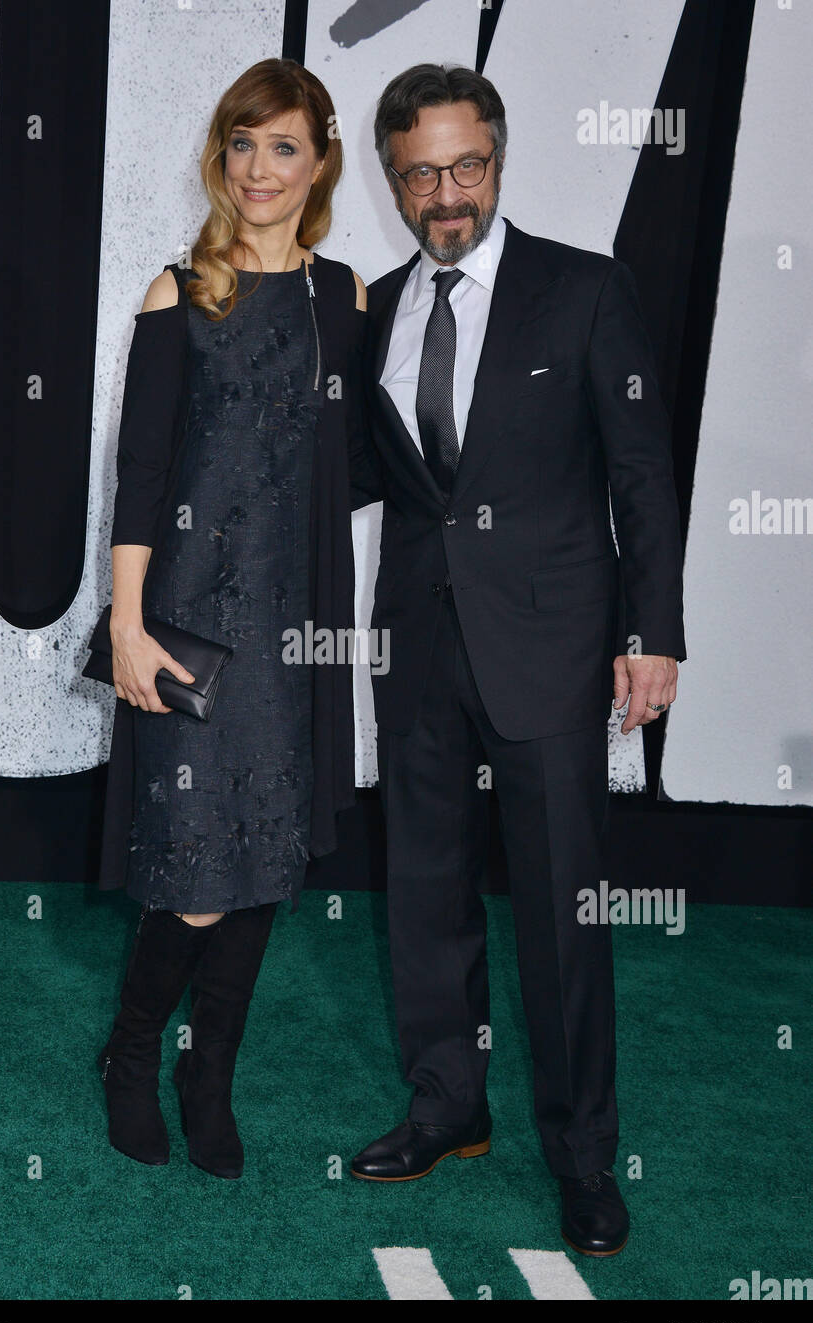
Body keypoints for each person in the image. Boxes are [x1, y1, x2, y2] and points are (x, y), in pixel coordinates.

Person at [349, 63, 686, 1256]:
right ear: (393, 180)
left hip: (551, 648)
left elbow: (643, 473)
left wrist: (651, 633)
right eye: (422, 173)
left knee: (559, 917)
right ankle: (447, 1106)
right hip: (419, 647)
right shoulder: (374, 307)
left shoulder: (585, 290)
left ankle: (586, 1159)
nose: (449, 193)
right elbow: (359, 480)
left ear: (500, 156)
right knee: (425, 895)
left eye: (469, 164)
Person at [95, 57, 368, 1179]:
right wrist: (124, 624)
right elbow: (142, 471)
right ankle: (127, 1055)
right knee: (196, 874)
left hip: (296, 629)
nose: (260, 169)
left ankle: (210, 1083)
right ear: (222, 159)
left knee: (263, 867)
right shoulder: (178, 292)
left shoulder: (343, 297)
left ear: (319, 162)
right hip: (190, 621)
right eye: (243, 145)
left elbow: (363, 466)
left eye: (284, 146)